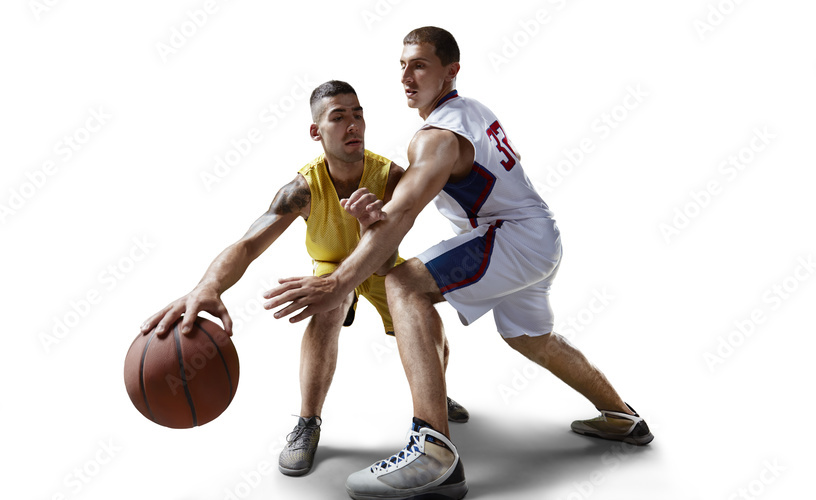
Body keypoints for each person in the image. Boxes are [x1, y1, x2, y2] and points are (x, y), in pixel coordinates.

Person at [263, 28, 653, 500]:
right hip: (537, 236)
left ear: (451, 71)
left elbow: (403, 215)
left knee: (405, 284)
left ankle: (433, 452)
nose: (407, 76)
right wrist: (374, 220)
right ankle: (622, 417)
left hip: (513, 237)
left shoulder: (437, 137)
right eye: (403, 65)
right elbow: (394, 214)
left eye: (420, 65)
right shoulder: (471, 113)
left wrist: (339, 280)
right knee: (531, 339)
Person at [139, 80, 469, 478]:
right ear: (317, 131)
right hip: (330, 269)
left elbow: (393, 239)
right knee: (326, 311)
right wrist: (208, 285)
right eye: (339, 116)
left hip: (380, 267)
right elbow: (247, 245)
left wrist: (371, 227)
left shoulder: (392, 177)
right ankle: (308, 422)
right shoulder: (303, 189)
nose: (353, 125)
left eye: (358, 113)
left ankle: (434, 395)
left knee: (428, 326)